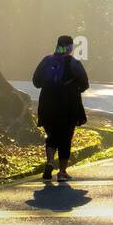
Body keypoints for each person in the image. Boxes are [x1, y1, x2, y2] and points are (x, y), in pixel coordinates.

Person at [31, 35, 89, 182]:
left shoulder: (46, 61)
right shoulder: (74, 63)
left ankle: (50, 161)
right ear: (70, 47)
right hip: (68, 105)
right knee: (65, 137)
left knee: (52, 135)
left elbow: (36, 82)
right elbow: (84, 84)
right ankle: (62, 172)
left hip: (47, 105)